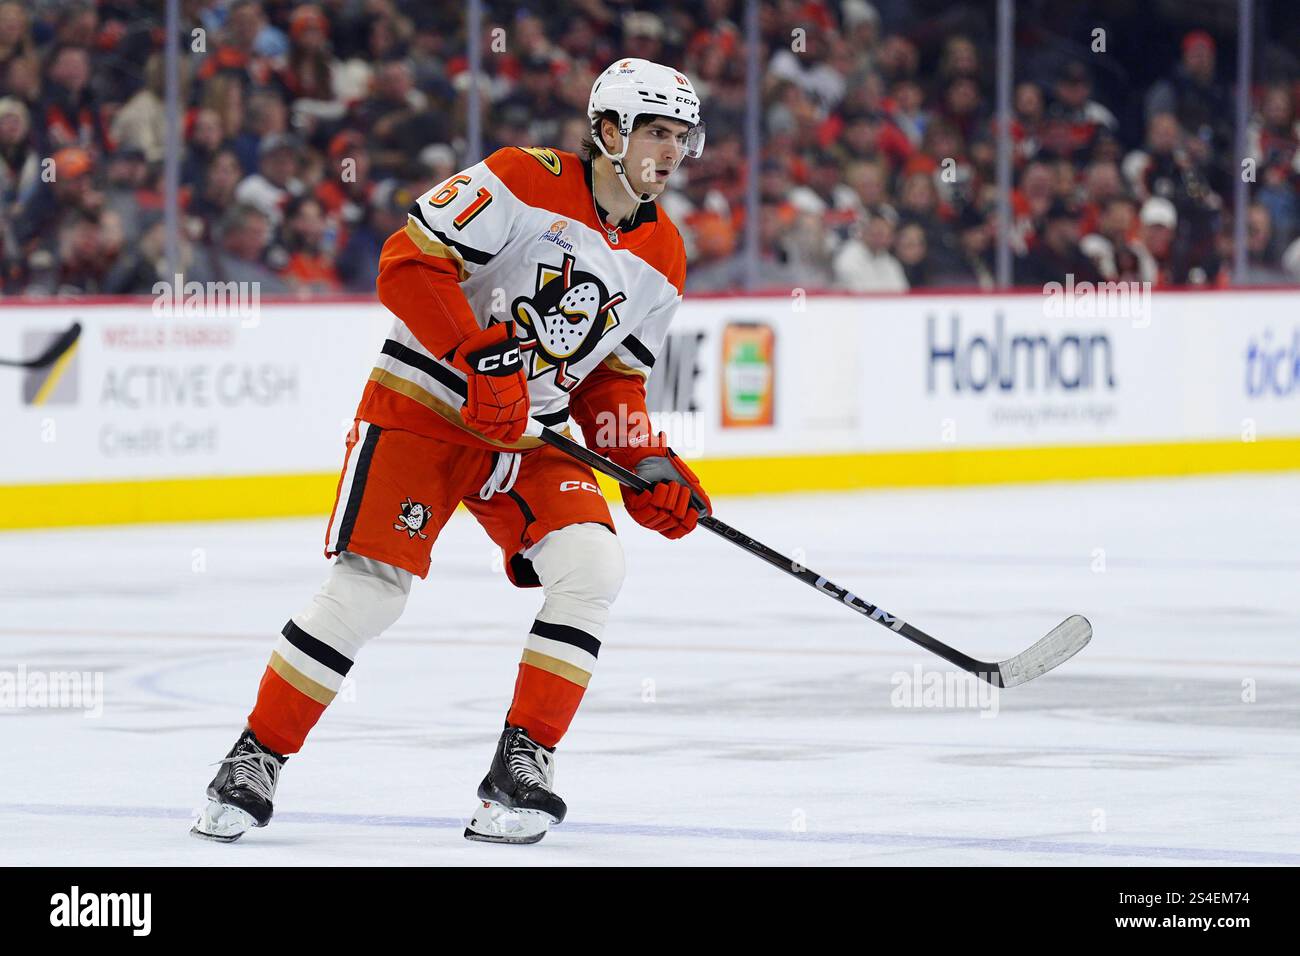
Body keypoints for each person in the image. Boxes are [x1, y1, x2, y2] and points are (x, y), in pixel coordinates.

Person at [192, 58, 711, 846]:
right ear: (608, 130)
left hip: (528, 435)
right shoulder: (519, 178)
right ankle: (254, 757)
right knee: (369, 592)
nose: (671, 152)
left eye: (682, 136)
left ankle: (520, 767)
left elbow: (611, 384)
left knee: (593, 567)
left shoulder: (664, 254)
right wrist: (475, 355)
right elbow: (406, 263)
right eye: (656, 132)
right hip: (427, 406)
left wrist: (645, 460)